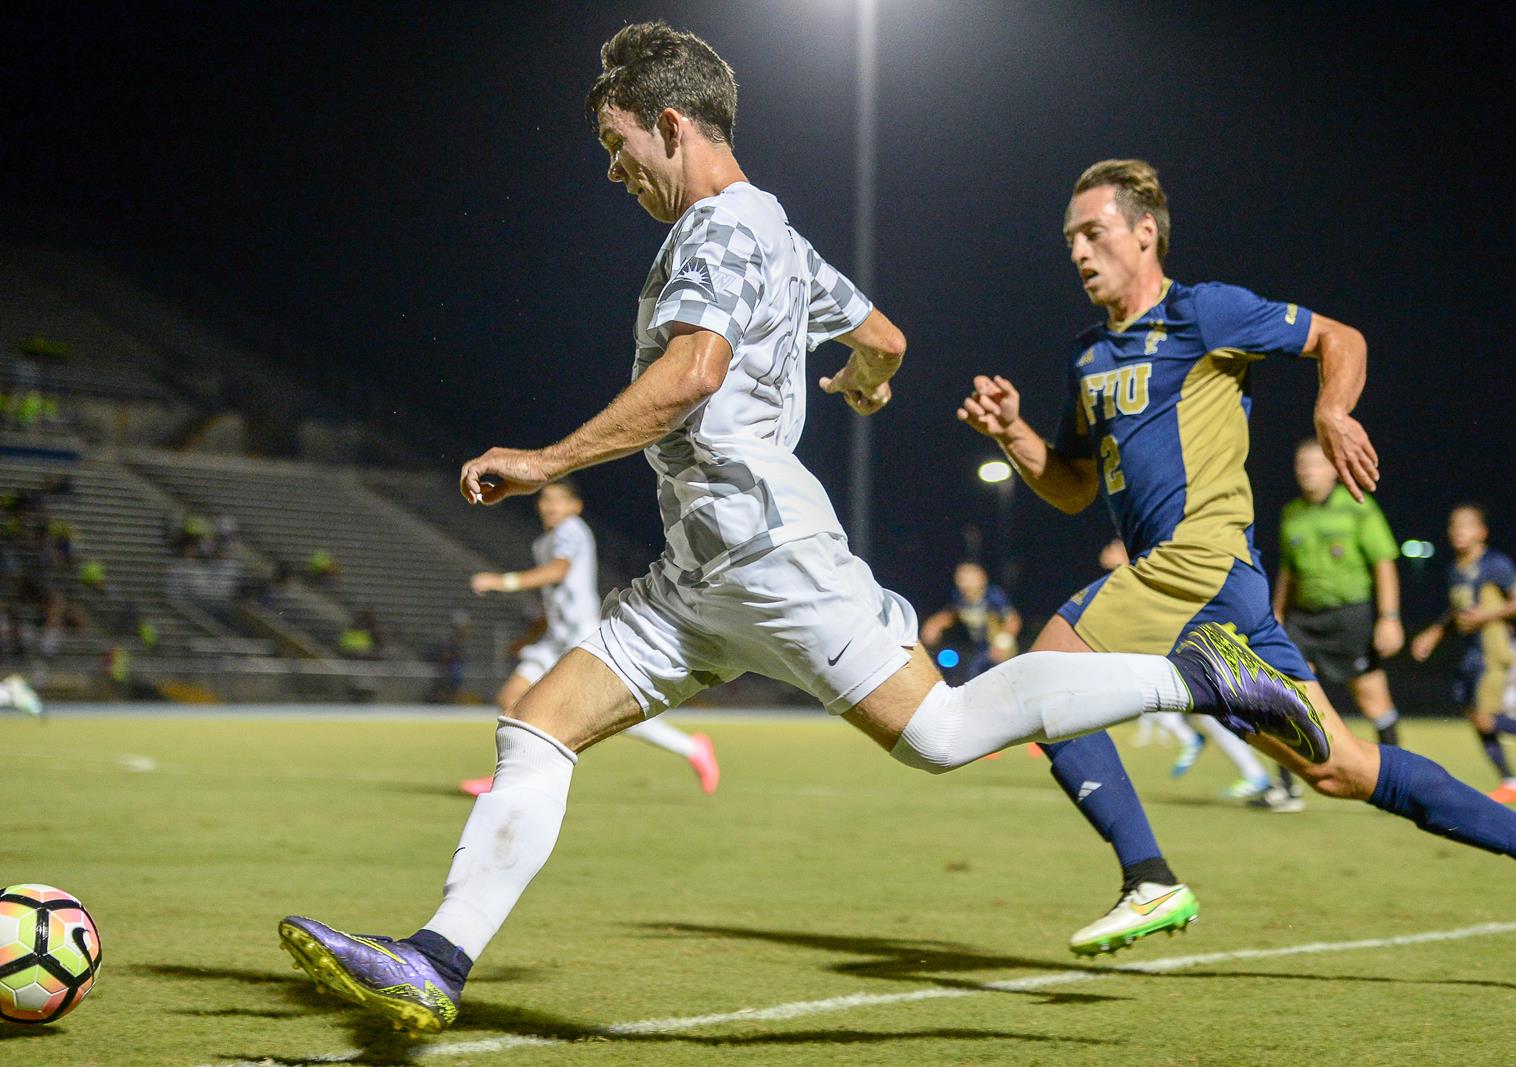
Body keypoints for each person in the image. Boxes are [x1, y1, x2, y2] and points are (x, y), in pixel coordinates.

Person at [276, 27, 1323, 1035]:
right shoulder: (773, 226)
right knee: (539, 723)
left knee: (940, 732)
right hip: (698, 574)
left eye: (617, 146)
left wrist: (545, 461)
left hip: (770, 555)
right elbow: (883, 334)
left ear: (672, 122)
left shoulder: (721, 228)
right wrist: (865, 379)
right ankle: (436, 958)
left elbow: (693, 372)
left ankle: (1201, 677)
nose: (611, 170)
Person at [960, 158, 1516, 958]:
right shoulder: (1087, 357)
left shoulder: (1207, 313)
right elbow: (1074, 486)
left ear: (1145, 232)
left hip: (1196, 565)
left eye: (1095, 232)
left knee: (1041, 681)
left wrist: (1332, 408)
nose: (1079, 252)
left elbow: (1340, 337)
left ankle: (1149, 877)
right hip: (1220, 602)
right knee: (1343, 769)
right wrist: (1015, 435)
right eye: (1070, 240)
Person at [460, 478, 720, 796]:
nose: (550, 506)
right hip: (555, 639)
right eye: (545, 499)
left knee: (602, 714)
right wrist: (529, 637)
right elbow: (553, 600)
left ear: (575, 507)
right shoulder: (544, 543)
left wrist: (503, 582)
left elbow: (558, 572)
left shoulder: (572, 530)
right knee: (510, 699)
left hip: (580, 636)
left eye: (558, 500)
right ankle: (507, 780)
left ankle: (691, 748)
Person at [1411, 503, 1516, 804]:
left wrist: (1488, 616)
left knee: (1484, 717)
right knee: (1474, 716)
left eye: (1466, 525)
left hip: (1495, 653)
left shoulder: (1495, 564)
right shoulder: (1455, 570)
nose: (1458, 531)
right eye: (1454, 525)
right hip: (1471, 655)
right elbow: (1459, 613)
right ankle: (1512, 783)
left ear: (1482, 532)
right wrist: (1435, 632)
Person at [1104, 539, 1274, 798]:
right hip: (1183, 632)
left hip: (1194, 631)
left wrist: (1124, 566)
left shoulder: (1177, 541)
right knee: (1203, 709)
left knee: (1151, 687)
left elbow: (1165, 581)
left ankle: (1203, 745)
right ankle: (1253, 772)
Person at [1274, 438, 1406, 747]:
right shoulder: (1292, 514)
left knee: (1372, 699)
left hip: (1349, 614)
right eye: (1301, 464)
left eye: (1316, 463)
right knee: (1288, 692)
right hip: (1303, 618)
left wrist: (1390, 618)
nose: (1307, 471)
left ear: (1334, 468)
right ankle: (1286, 789)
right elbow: (1288, 572)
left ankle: (1398, 779)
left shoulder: (1358, 507)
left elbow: (1384, 563)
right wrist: (1277, 612)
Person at [919, 560, 1021, 684]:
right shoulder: (959, 597)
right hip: (979, 649)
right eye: (961, 579)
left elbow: (1013, 620)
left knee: (1005, 680)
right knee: (972, 678)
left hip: (1000, 649)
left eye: (970, 579)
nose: (965, 584)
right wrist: (933, 626)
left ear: (982, 579)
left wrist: (1001, 643)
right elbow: (949, 614)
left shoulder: (993, 596)